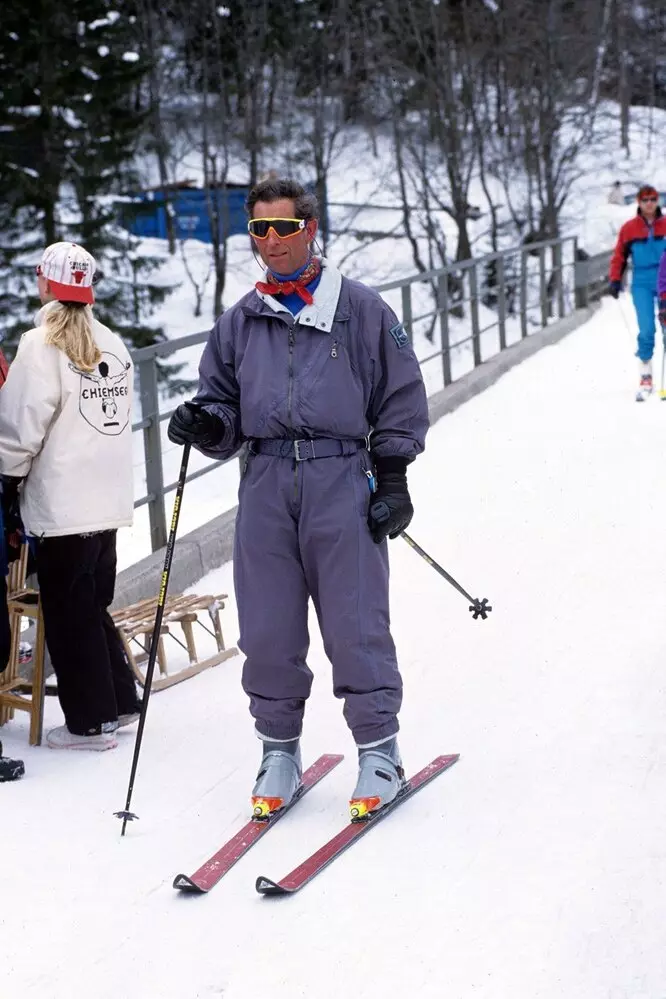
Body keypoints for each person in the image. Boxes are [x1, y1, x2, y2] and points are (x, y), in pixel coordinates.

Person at [168, 178, 429, 820]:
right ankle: (279, 750)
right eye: (260, 230)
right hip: (264, 483)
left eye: (284, 228)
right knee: (268, 626)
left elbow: (400, 396)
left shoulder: (361, 311)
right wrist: (206, 424)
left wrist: (392, 479)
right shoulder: (242, 319)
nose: (272, 242)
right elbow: (222, 401)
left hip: (341, 477)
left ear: (310, 229)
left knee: (354, 618)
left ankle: (379, 749)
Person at [0, 241, 142, 751]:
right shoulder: (113, 343)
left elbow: (19, 428)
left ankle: (90, 723)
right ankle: (121, 702)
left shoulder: (41, 345)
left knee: (69, 613)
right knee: (93, 605)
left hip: (62, 505)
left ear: (44, 283)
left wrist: (8, 476)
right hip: (106, 502)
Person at [608, 184, 666, 400]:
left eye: (653, 199)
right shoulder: (629, 228)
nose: (649, 203)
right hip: (641, 281)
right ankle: (645, 375)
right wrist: (615, 279)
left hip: (664, 280)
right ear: (639, 203)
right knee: (647, 329)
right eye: (645, 200)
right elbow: (619, 256)